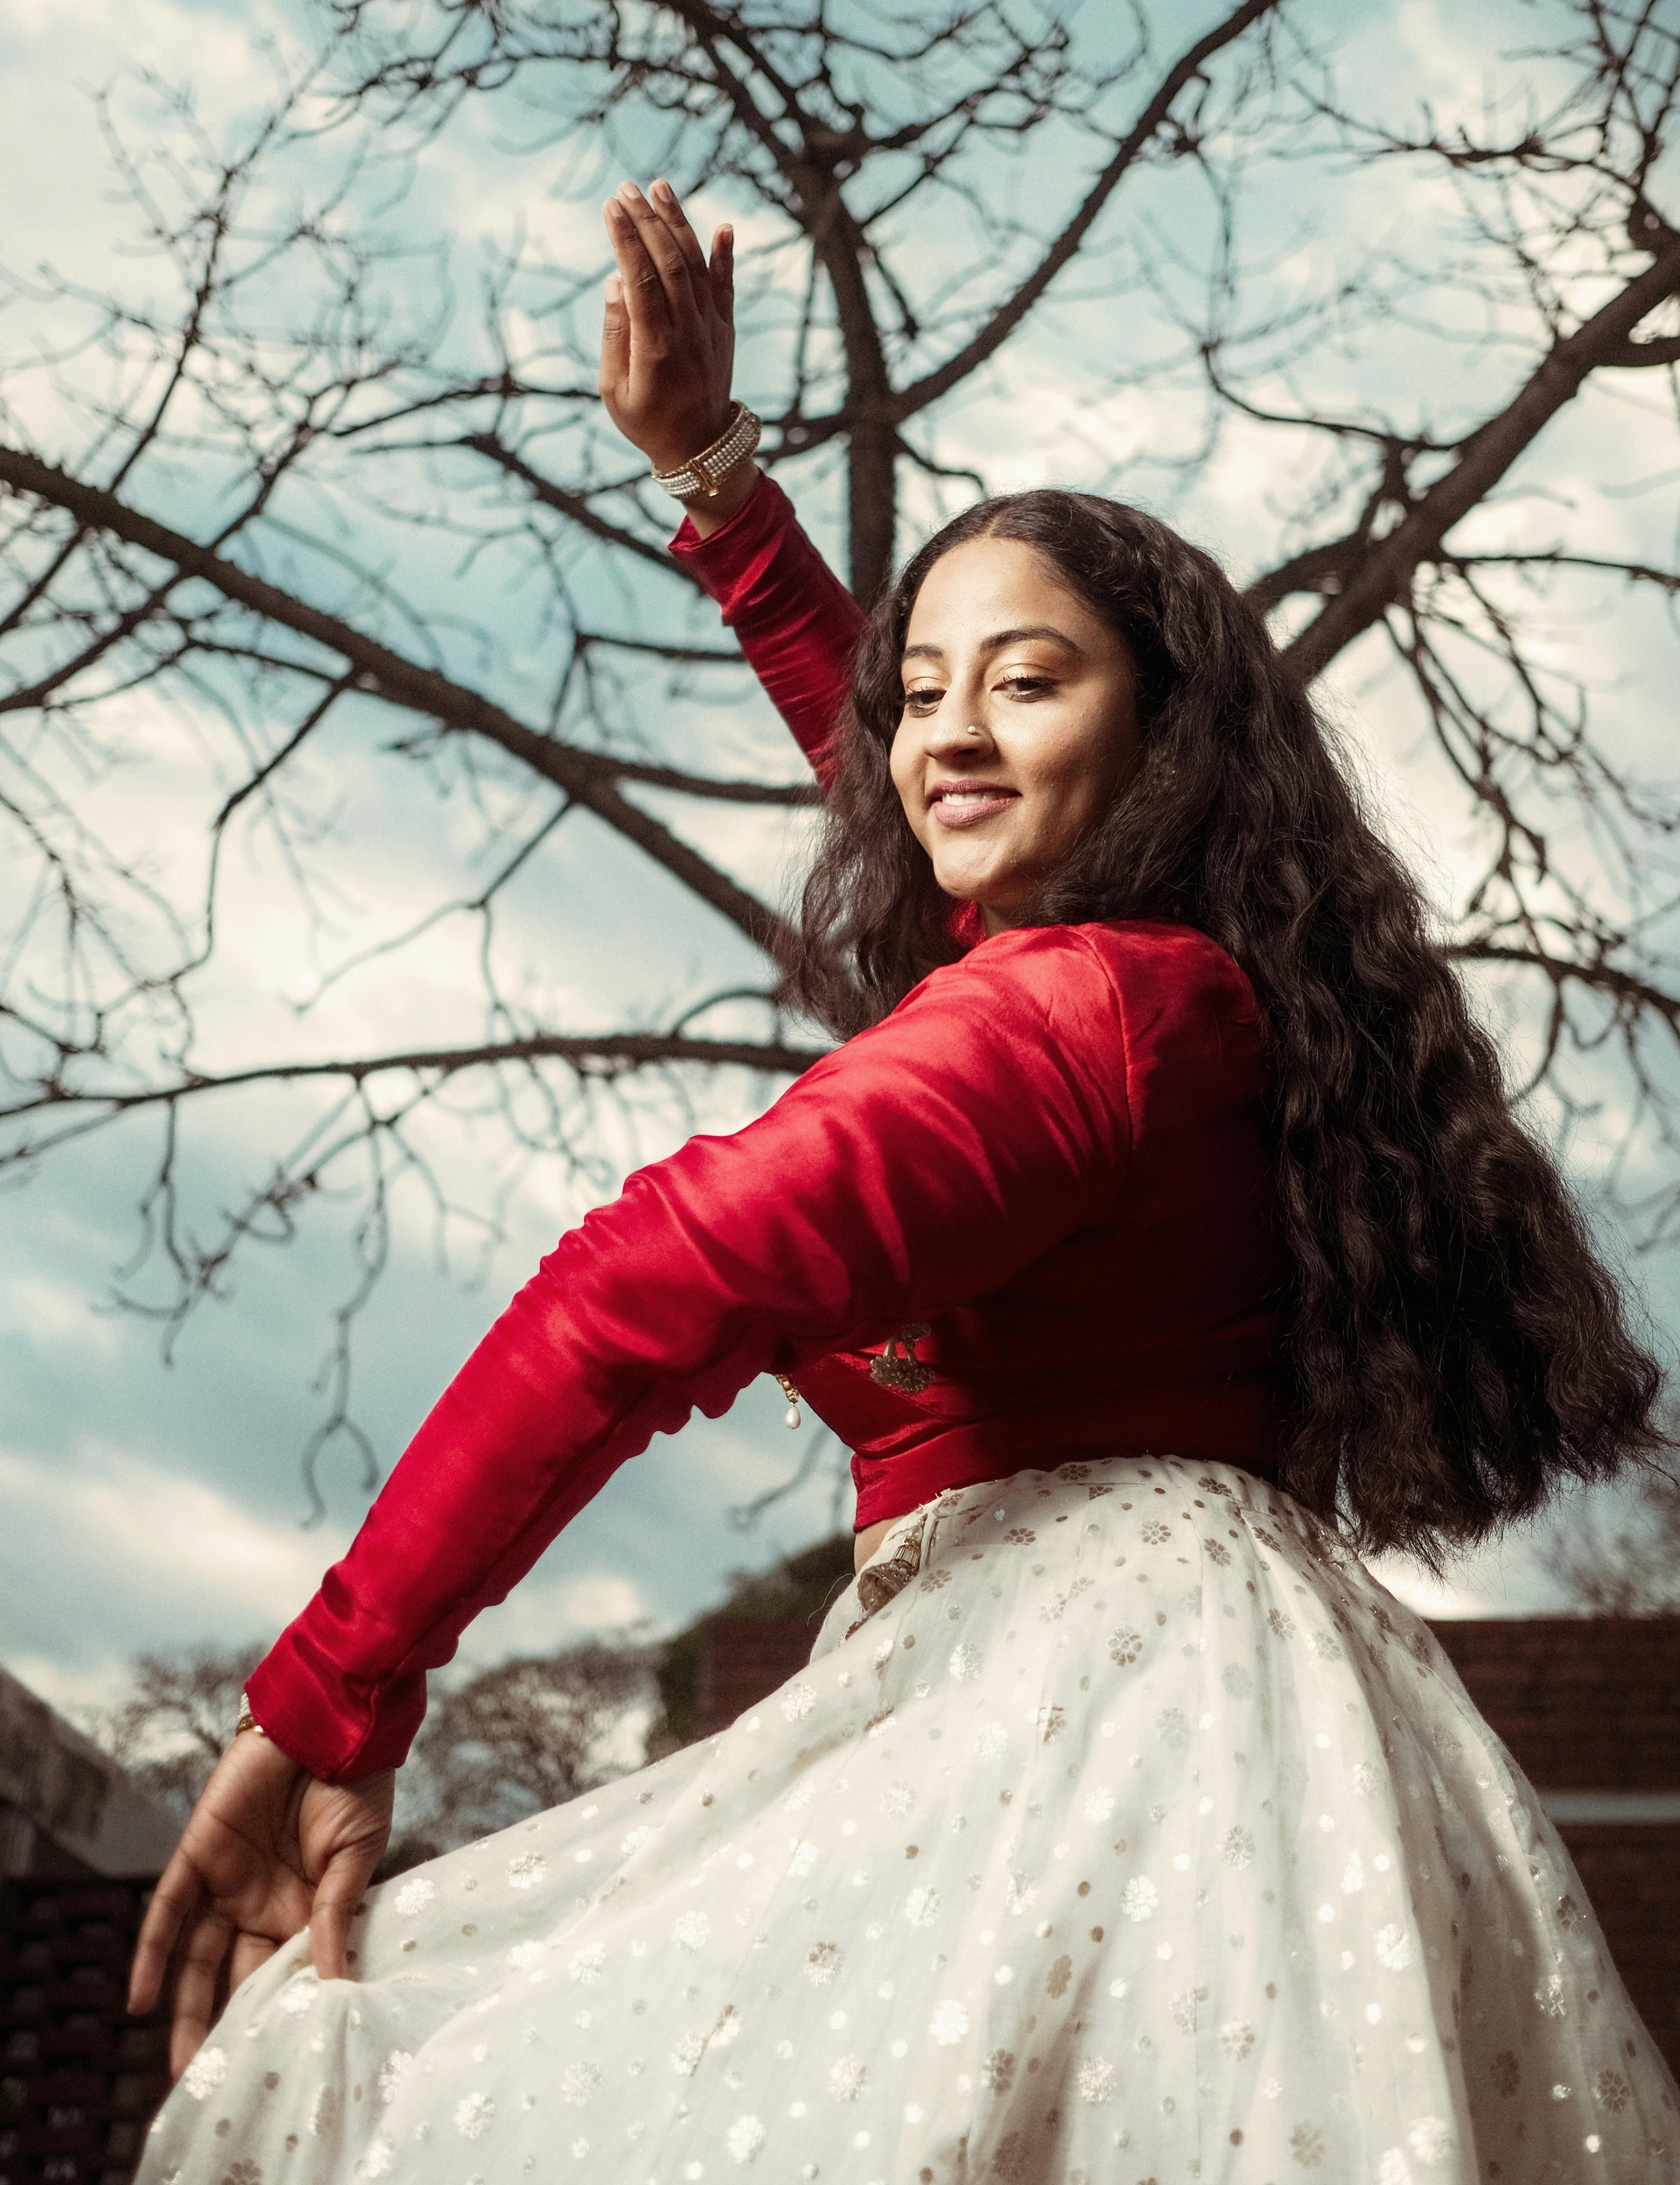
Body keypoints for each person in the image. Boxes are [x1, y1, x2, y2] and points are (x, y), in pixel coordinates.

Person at [128, 180, 1677, 2185]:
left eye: (1026, 682)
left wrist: (332, 1698)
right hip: (1204, 1692)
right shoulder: (1176, 997)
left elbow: (641, 1287)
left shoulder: (1077, 1022)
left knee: (353, 2088)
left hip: (1084, 1727)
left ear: (1171, 738)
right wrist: (715, 485)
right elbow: (925, 764)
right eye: (915, 687)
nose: (942, 733)